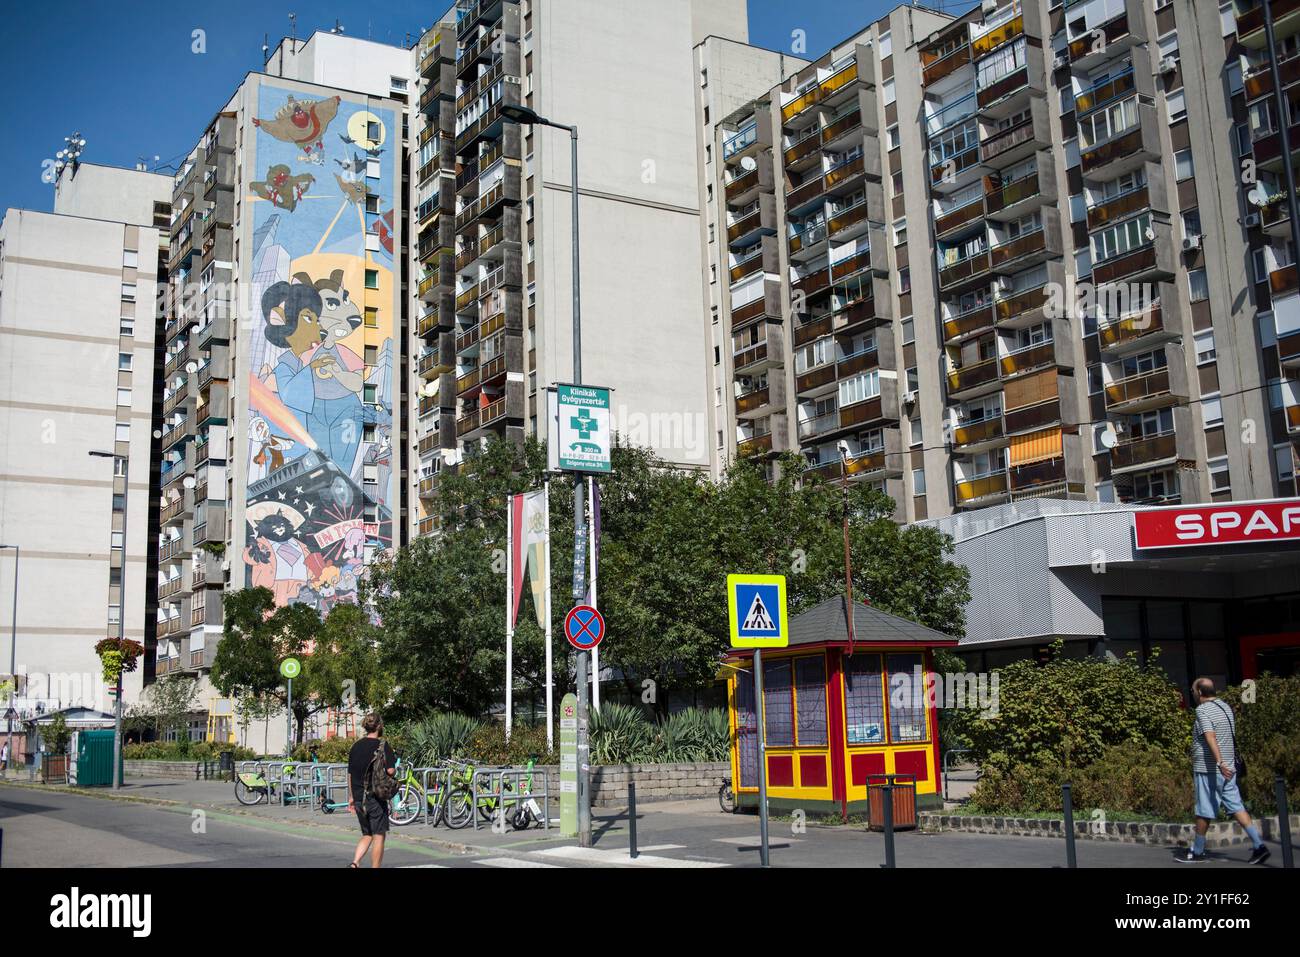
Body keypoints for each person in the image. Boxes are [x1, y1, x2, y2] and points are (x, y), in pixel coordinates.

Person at [1177, 677, 1270, 864]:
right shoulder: (1225, 707)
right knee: (1237, 806)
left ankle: (1198, 851)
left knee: (1204, 810)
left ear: (1200, 693)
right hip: (1229, 768)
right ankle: (1259, 846)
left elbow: (1210, 736)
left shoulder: (1203, 710)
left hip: (1210, 768)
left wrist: (1218, 762)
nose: (1193, 693)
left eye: (1194, 690)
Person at [347, 713, 396, 868]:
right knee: (379, 835)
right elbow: (390, 771)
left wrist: (351, 797)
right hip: (375, 797)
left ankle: (355, 863)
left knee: (367, 834)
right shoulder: (382, 746)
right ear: (379, 726)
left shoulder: (355, 746)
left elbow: (350, 773)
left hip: (358, 797)